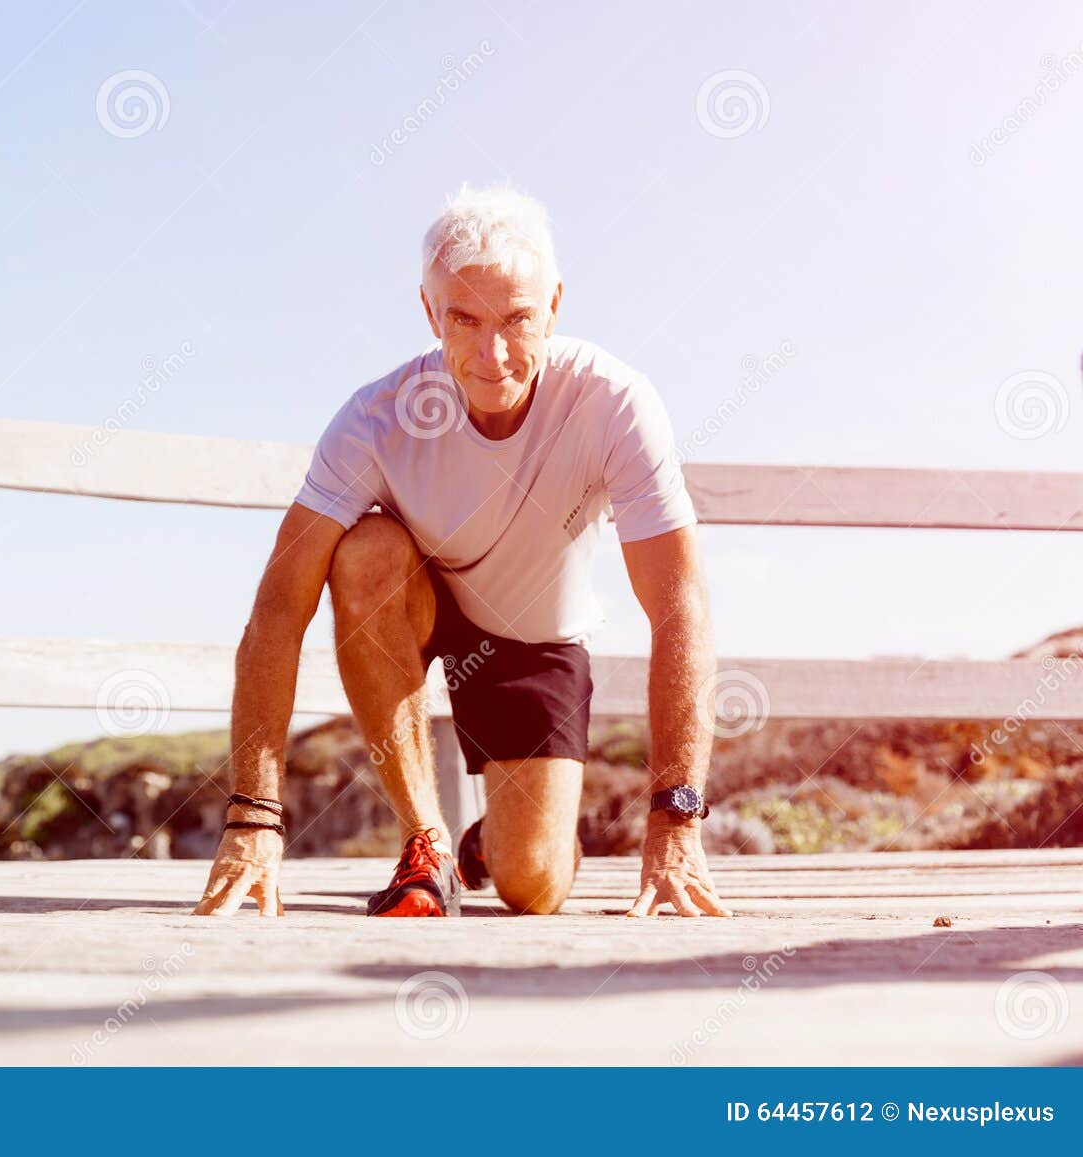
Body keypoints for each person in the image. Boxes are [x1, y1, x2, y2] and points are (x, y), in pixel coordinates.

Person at [193, 185, 730, 919]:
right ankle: (428, 839)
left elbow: (678, 608)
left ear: (555, 304)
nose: (492, 354)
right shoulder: (374, 421)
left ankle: (495, 838)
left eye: (517, 319)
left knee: (531, 884)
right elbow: (276, 612)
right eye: (465, 319)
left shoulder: (614, 403)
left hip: (534, 637)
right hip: (419, 600)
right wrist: (254, 817)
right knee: (364, 552)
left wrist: (675, 819)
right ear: (428, 311)